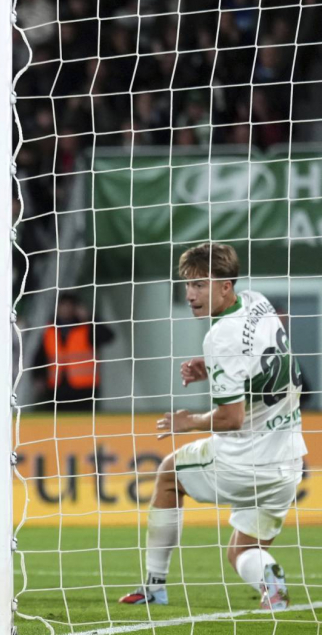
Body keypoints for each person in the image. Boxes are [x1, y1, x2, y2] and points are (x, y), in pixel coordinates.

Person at [120, 243, 304, 610]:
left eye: (200, 285)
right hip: (288, 463)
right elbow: (258, 362)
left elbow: (231, 419)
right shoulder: (258, 302)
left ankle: (155, 586)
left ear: (225, 286)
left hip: (245, 460)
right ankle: (273, 586)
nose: (190, 295)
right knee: (241, 550)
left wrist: (189, 422)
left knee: (169, 473)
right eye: (187, 285)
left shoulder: (220, 336)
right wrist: (210, 368)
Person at [31, 293, 115, 410]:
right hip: (57, 388)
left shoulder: (87, 327)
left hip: (84, 389)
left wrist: (90, 318)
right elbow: (41, 356)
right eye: (63, 305)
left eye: (69, 306)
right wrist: (38, 376)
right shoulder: (50, 329)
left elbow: (109, 336)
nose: (66, 309)